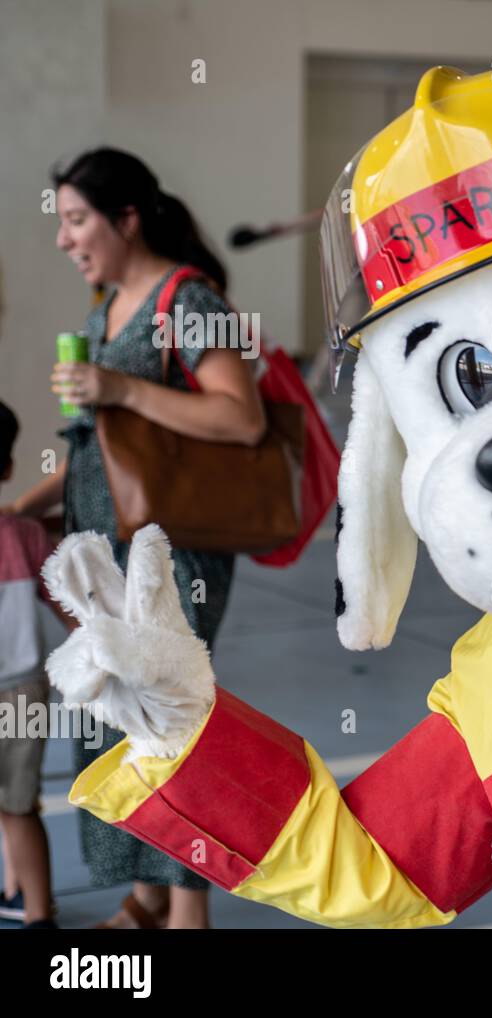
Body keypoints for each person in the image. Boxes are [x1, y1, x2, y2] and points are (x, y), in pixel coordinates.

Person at [3, 147, 265, 929]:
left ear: (127, 218)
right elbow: (99, 446)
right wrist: (26, 507)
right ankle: (148, 897)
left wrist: (121, 387)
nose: (64, 238)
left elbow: (241, 418)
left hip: (168, 555)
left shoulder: (191, 300)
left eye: (77, 220)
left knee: (168, 721)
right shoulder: (103, 308)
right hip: (101, 546)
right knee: (110, 715)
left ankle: (189, 909)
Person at [0, 400, 72, 928]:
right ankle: (37, 912)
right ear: (6, 468)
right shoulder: (24, 536)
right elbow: (71, 611)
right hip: (23, 693)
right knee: (19, 806)